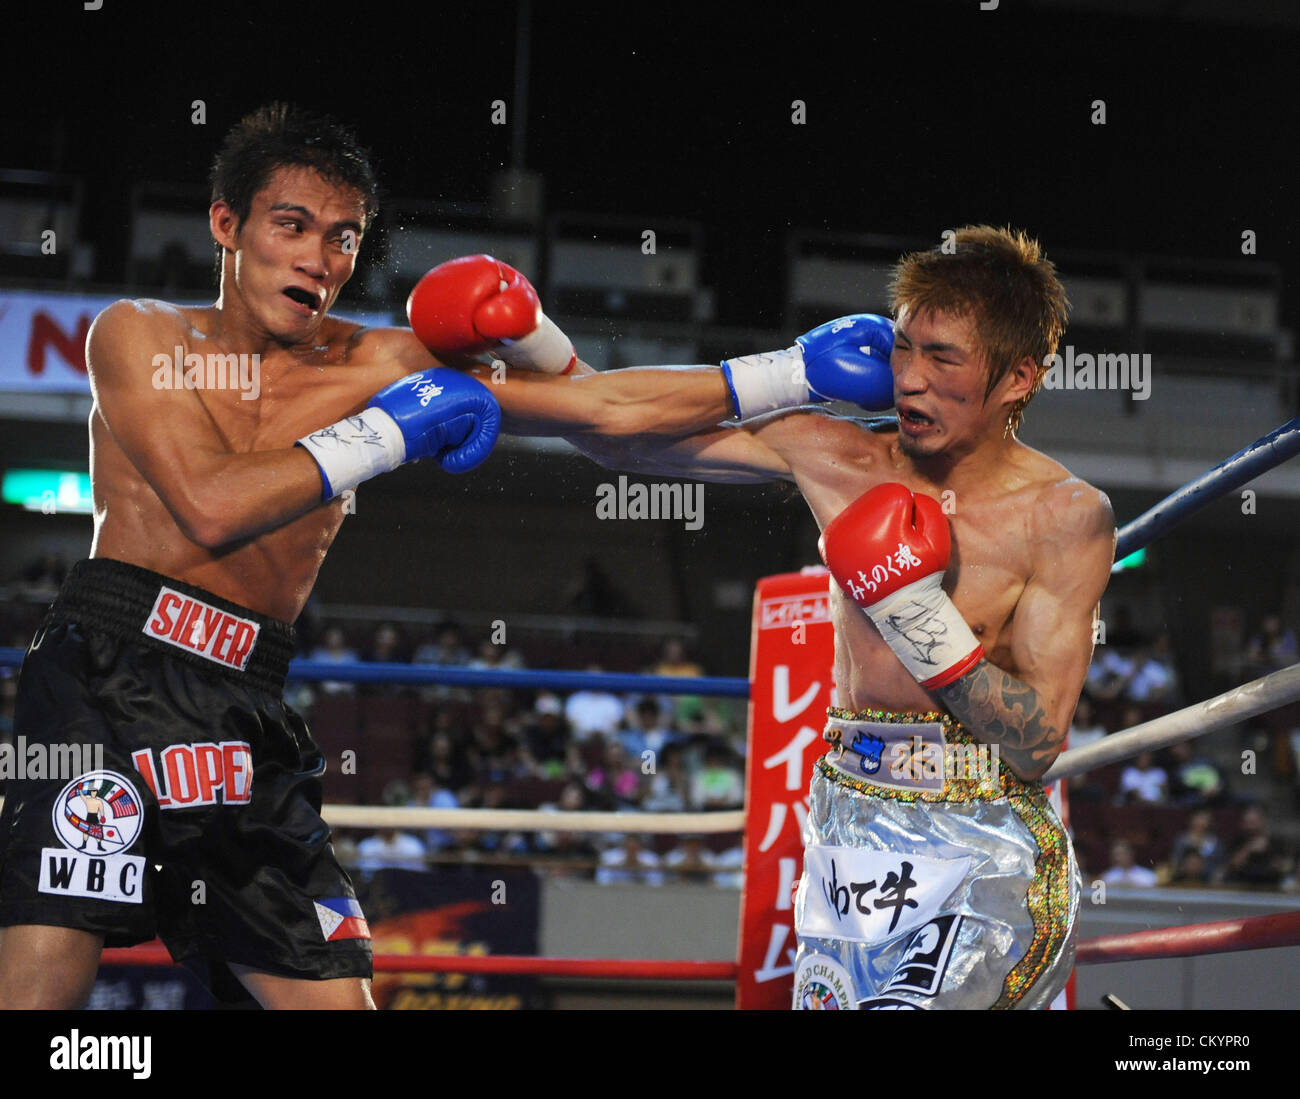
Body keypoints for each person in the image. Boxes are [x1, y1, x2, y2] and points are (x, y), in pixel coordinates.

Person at [0, 103, 879, 1010]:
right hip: (107, 677)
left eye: (343, 239)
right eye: (292, 227)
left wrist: (793, 378)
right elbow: (211, 502)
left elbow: (606, 414)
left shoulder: (382, 361)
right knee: (42, 989)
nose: (318, 258)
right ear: (227, 224)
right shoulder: (139, 334)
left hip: (243, 702)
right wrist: (387, 434)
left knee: (338, 1003)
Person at [565, 226, 1115, 1009]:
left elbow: (1035, 741)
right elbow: (615, 436)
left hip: (982, 844)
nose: (909, 379)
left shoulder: (1065, 516)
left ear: (1018, 376)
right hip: (847, 826)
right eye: (902, 349)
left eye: (942, 357)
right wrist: (532, 344)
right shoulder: (845, 458)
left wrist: (912, 610)